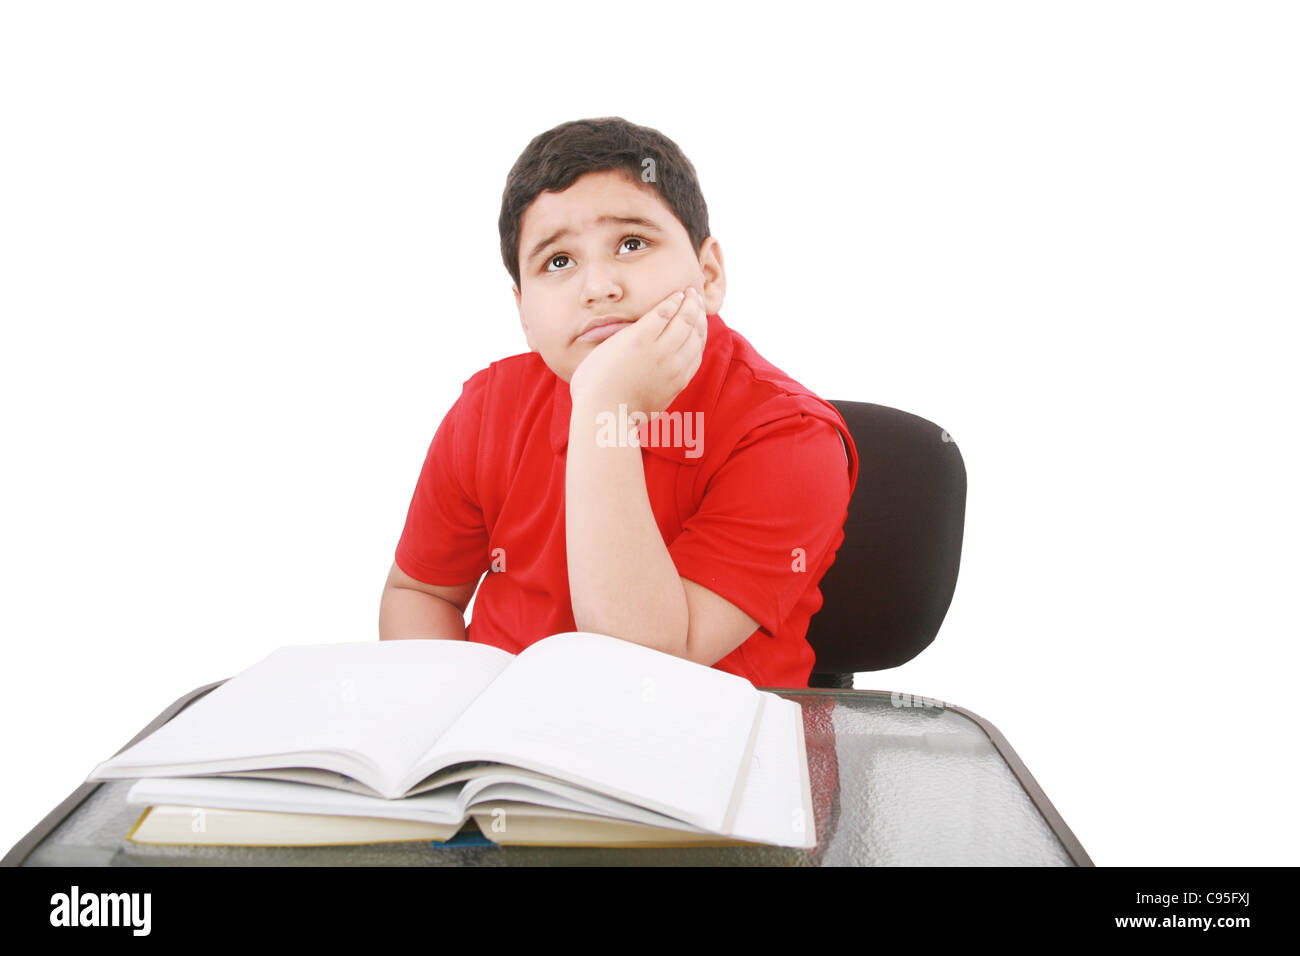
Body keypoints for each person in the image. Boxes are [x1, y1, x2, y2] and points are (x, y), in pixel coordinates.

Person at [378, 116, 860, 689]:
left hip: (698, 752)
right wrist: (448, 714)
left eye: (632, 244)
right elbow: (420, 592)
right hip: (503, 750)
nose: (598, 286)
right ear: (524, 315)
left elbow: (639, 667)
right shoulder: (485, 411)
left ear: (708, 275)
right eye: (558, 261)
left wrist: (605, 406)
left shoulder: (791, 438)